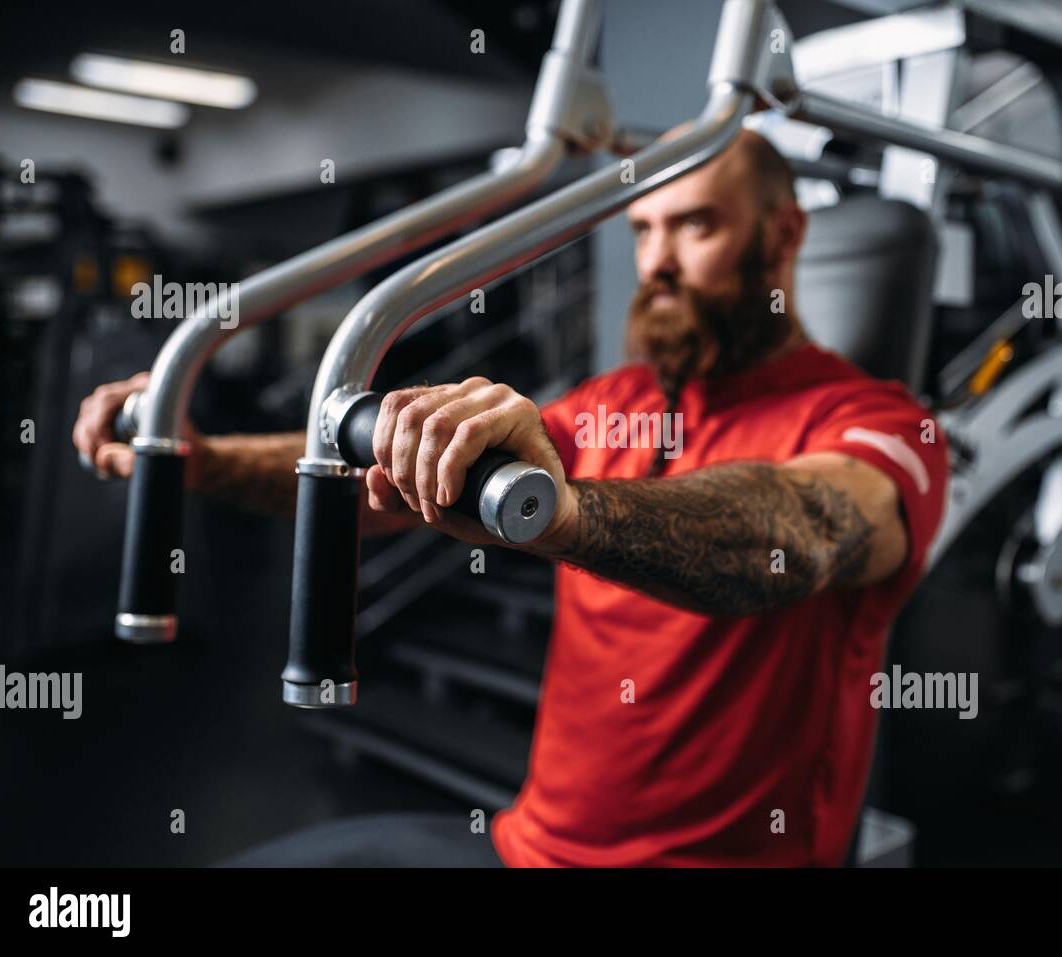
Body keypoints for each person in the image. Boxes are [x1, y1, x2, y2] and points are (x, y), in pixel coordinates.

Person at [73, 129, 949, 867]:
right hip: (527, 849)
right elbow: (379, 499)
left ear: (783, 234)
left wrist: (569, 516)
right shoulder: (618, 403)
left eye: (694, 227)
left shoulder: (879, 425)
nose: (658, 263)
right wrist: (200, 460)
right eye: (644, 231)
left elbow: (799, 530)